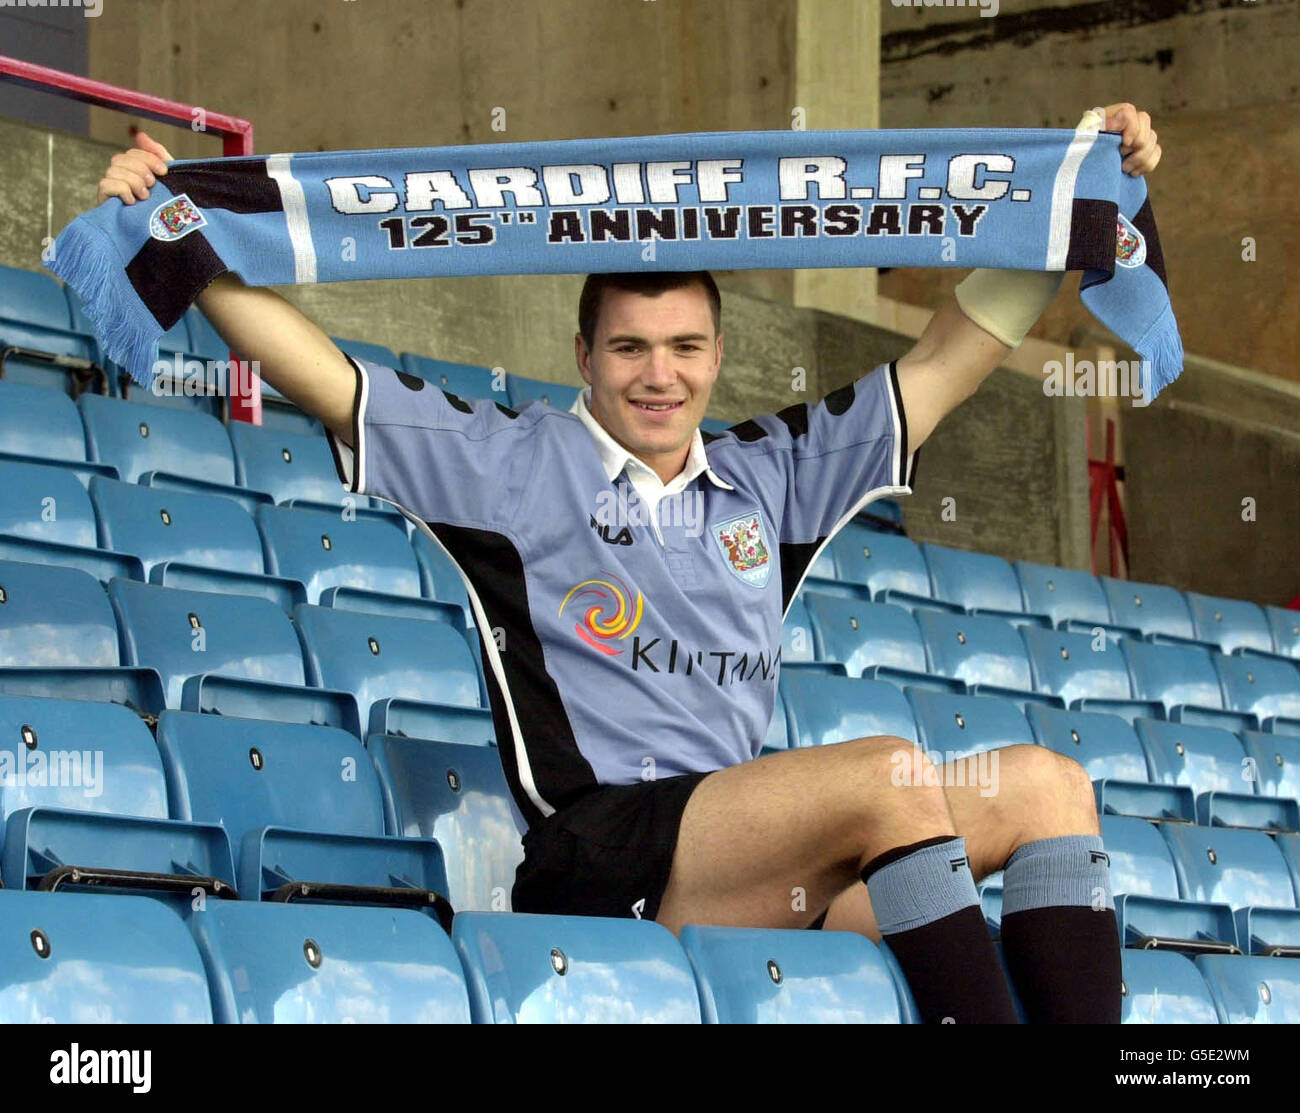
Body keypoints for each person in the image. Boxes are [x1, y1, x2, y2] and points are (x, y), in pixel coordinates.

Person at [95, 105, 1161, 1023]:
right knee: (886, 774)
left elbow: (946, 356)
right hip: (605, 860)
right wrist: (182, 236)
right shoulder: (511, 466)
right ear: (584, 358)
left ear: (716, 357)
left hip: (768, 861)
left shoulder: (774, 476)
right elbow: (329, 380)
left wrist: (1073, 196)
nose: (660, 375)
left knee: (1045, 785)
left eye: (685, 348)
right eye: (630, 349)